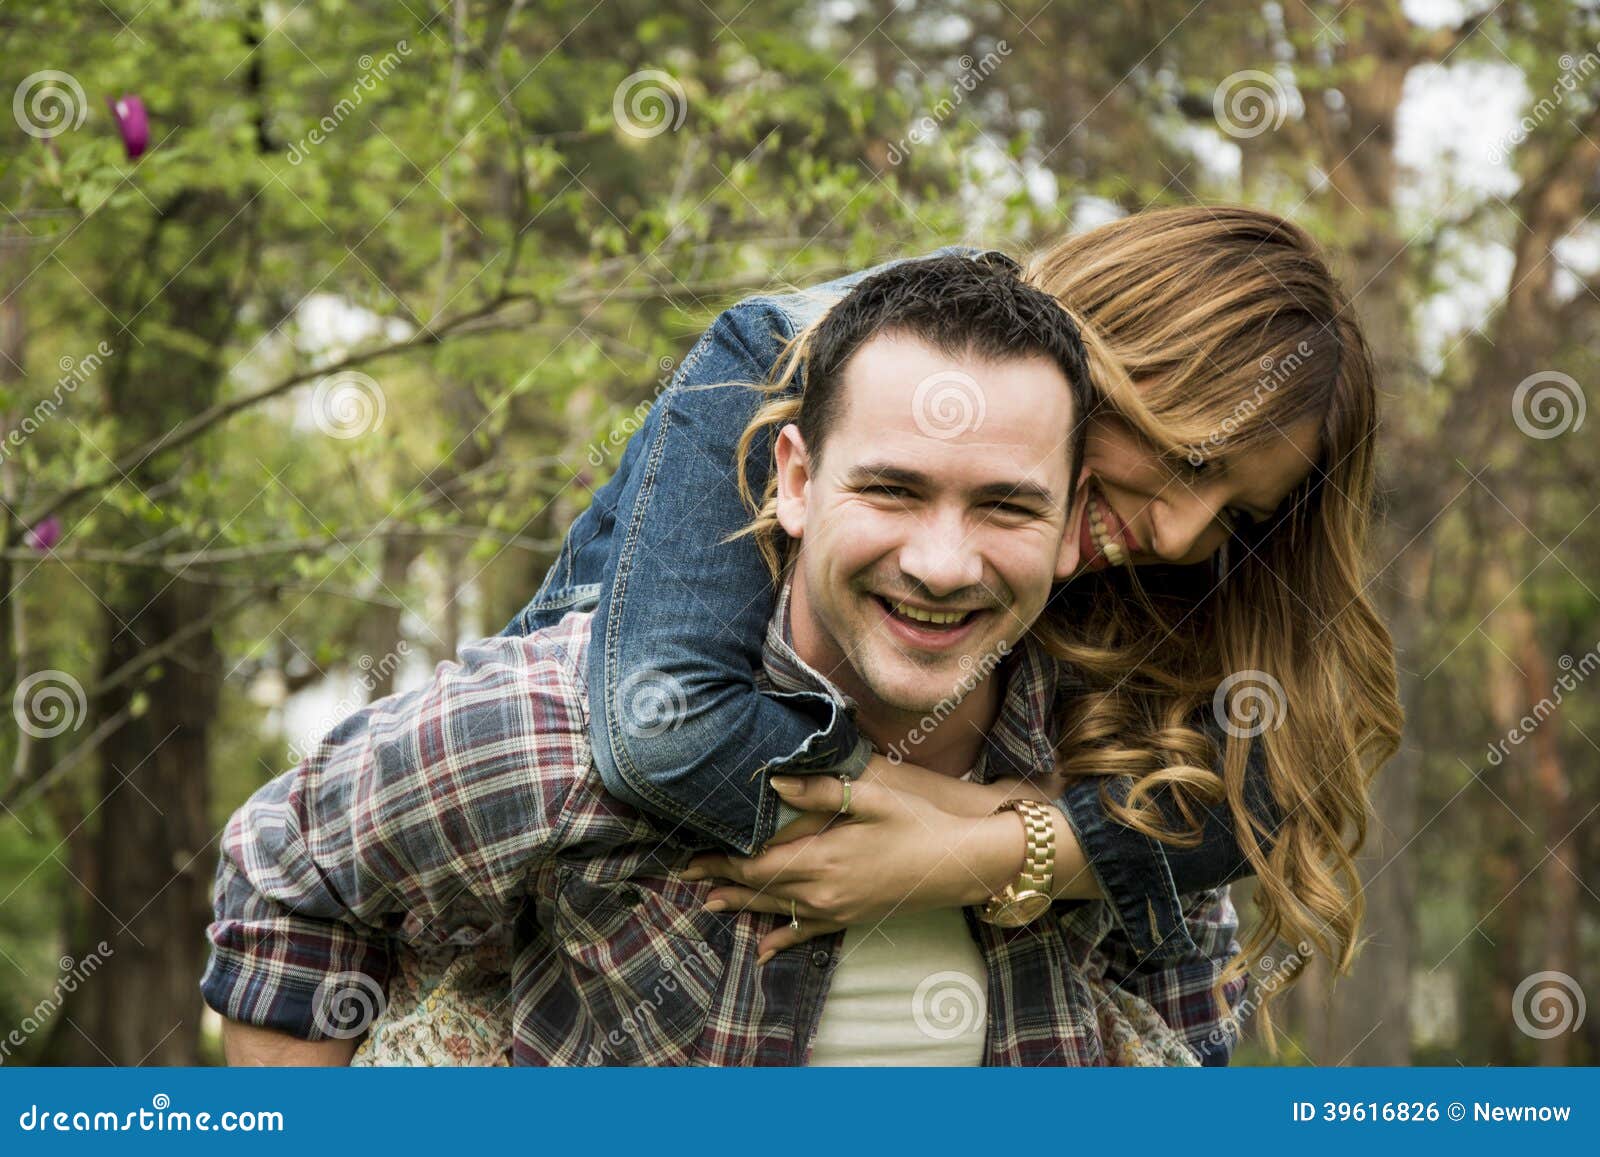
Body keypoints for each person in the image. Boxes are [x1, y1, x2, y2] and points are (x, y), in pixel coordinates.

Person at [206, 254, 1245, 1066]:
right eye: (890, 490)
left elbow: (1189, 984)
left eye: (1007, 505)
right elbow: (290, 867)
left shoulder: (1121, 757)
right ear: (793, 479)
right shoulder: (571, 721)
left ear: (1076, 525)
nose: (939, 562)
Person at [498, 205, 1401, 987]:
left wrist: (977, 853)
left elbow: (1265, 783)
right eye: (1188, 459)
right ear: (1119, 346)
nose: (1175, 534)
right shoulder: (776, 354)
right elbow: (667, 729)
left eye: (1236, 513)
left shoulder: (1114, 564)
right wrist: (962, 803)